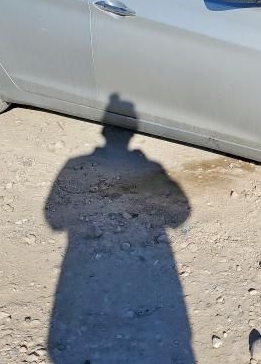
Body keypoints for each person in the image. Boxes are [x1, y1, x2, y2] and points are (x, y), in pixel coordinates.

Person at [46, 94, 194, 363]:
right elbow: (182, 215)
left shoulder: (74, 165)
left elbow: (53, 220)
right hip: (152, 284)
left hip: (82, 279)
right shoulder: (153, 167)